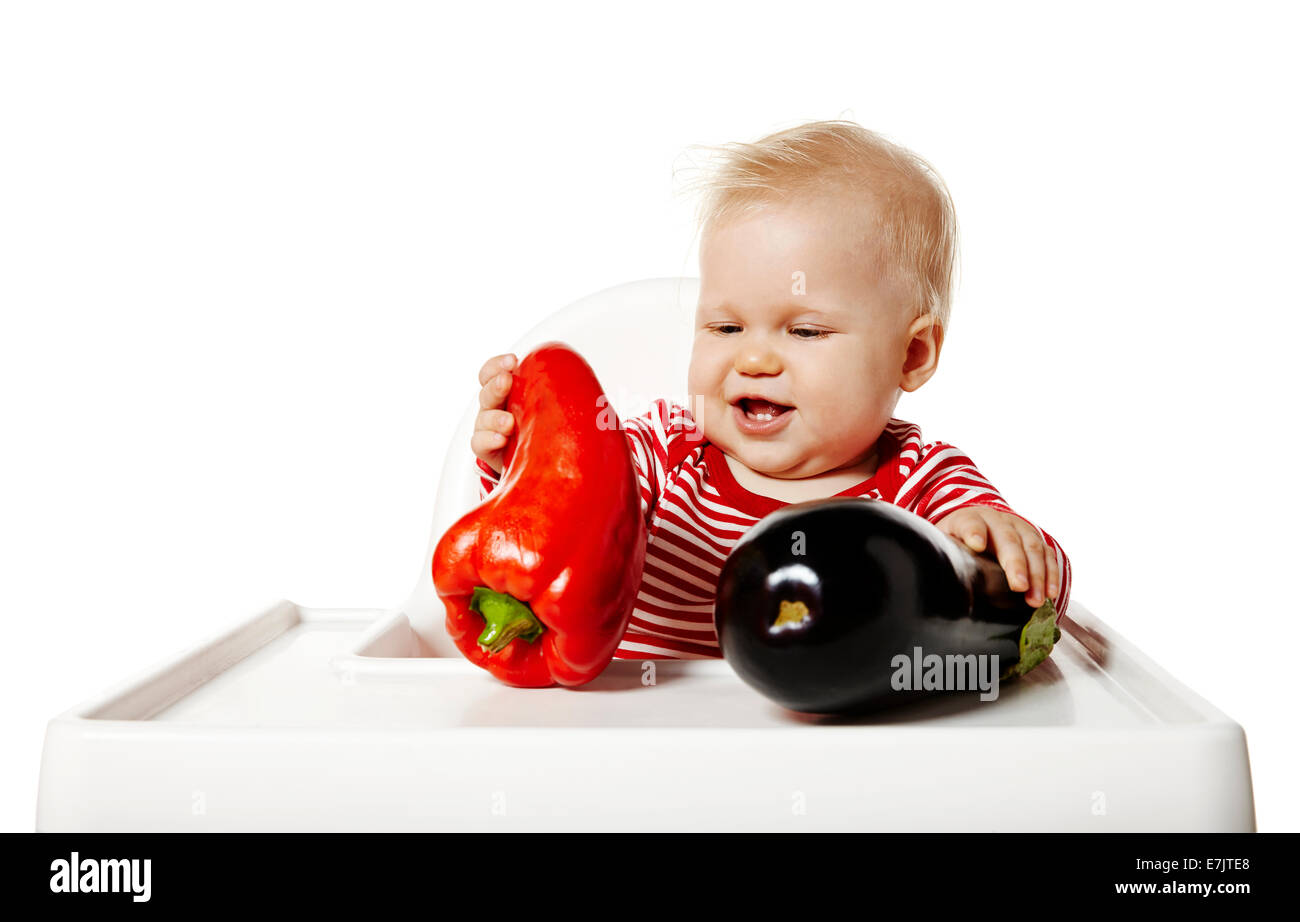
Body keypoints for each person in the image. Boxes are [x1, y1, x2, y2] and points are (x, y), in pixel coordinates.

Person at [471, 120, 1071, 659]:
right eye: (726, 327)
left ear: (910, 355)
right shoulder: (656, 457)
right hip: (639, 747)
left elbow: (1030, 588)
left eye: (805, 330)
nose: (753, 357)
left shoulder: (925, 483)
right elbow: (555, 522)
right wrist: (520, 463)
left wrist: (997, 546)